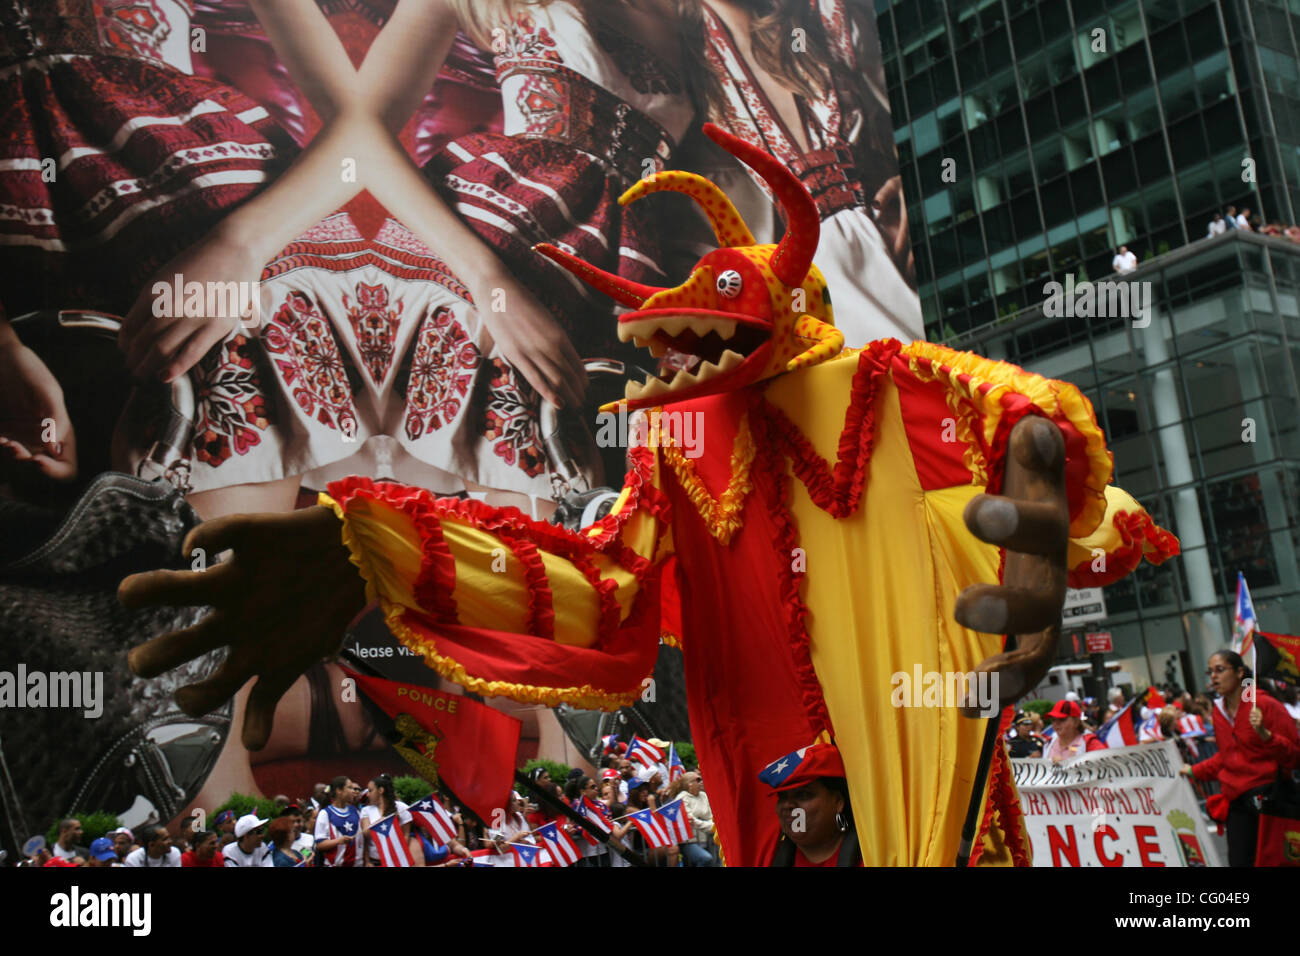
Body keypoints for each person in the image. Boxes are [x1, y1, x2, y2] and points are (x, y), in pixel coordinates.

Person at [680, 0, 920, 346]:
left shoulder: (824, 14)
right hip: (815, 291)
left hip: (896, 243)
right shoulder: (683, 61)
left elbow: (917, 101)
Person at [1181, 649, 1300, 867]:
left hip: (1271, 802)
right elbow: (1227, 757)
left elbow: (1295, 757)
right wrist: (1192, 770)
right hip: (1238, 804)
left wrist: (1267, 736)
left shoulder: (1265, 705)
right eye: (1210, 672)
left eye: (1220, 670)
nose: (1214, 677)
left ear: (1239, 673)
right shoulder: (1219, 711)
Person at [761, 741, 860, 866]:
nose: (787, 805)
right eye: (782, 796)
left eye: (803, 795)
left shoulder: (874, 855)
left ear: (838, 801)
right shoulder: (766, 859)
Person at [359, 774, 414, 866]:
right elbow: (366, 834)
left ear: (381, 790)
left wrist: (400, 857)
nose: (367, 794)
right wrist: (367, 861)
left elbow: (406, 835)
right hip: (375, 861)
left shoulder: (401, 807)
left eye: (370, 790)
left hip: (396, 860)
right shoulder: (366, 810)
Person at [315, 776, 365, 867]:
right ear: (339, 791)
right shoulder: (325, 814)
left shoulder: (356, 811)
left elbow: (363, 840)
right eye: (349, 788)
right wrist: (339, 841)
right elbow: (320, 844)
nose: (353, 791)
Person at [679, 771, 715, 866]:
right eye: (698, 780)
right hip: (689, 842)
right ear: (689, 784)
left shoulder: (703, 795)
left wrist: (714, 826)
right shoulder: (681, 798)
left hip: (707, 838)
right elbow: (691, 821)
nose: (701, 781)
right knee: (706, 858)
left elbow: (711, 816)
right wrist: (714, 827)